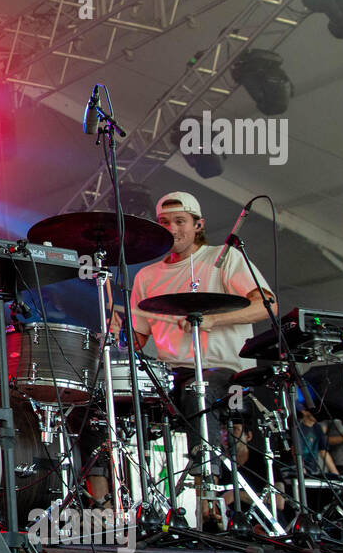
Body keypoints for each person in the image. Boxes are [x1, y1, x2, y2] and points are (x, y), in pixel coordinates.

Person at [109, 192, 277, 528]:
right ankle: (121, 502)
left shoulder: (223, 258)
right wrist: (119, 329)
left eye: (180, 221)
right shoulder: (146, 277)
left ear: (198, 224)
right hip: (172, 371)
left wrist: (213, 320)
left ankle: (208, 499)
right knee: (112, 401)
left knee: (197, 389)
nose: (172, 228)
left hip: (226, 370)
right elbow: (139, 340)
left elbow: (267, 305)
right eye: (164, 223)